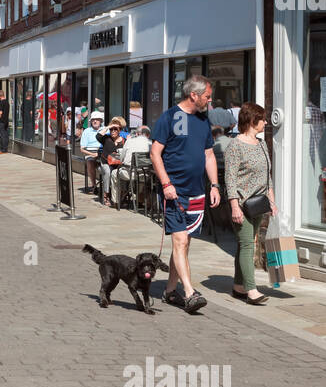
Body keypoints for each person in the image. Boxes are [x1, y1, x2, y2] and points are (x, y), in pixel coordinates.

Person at [150, 75, 220, 314]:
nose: (210, 101)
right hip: (174, 192)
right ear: (194, 95)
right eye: (207, 97)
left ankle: (170, 291)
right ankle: (190, 292)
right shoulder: (170, 117)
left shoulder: (202, 120)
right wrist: (166, 183)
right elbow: (155, 153)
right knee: (179, 241)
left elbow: (209, 154)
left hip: (197, 192)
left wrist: (214, 185)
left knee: (184, 244)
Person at [225, 102, 276, 305]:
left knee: (245, 244)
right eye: (262, 119)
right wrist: (234, 206)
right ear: (253, 121)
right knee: (247, 245)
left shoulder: (262, 144)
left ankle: (238, 286)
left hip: (259, 204)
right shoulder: (235, 146)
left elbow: (267, 175)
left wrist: (272, 200)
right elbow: (230, 179)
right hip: (243, 205)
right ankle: (251, 290)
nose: (265, 122)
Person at [112, 125, 153, 207]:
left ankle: (116, 201)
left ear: (137, 134)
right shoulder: (151, 144)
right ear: (148, 135)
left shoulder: (129, 141)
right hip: (145, 175)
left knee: (114, 173)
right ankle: (140, 200)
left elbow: (122, 158)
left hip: (129, 173)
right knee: (141, 179)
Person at [79, 114, 105, 194]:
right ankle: (94, 186)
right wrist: (92, 154)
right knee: (90, 162)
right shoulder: (87, 131)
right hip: (90, 152)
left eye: (97, 119)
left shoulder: (105, 130)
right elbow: (82, 149)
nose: (95, 121)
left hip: (103, 152)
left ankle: (107, 187)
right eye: (93, 119)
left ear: (100, 121)